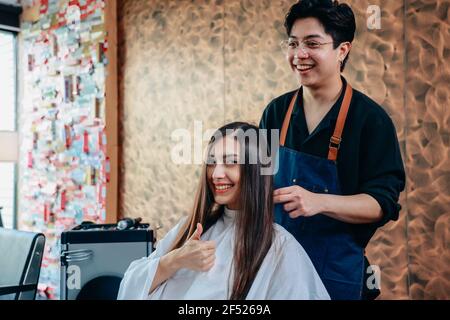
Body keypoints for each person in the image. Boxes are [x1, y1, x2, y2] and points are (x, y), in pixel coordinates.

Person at [259, 0, 405, 300]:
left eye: (312, 43)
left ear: (342, 50)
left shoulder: (370, 121)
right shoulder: (276, 112)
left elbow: (382, 203)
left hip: (335, 276)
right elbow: (255, 185)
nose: (299, 54)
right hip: (276, 272)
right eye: (293, 43)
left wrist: (319, 202)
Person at [117, 122, 329, 300]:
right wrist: (175, 260)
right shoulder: (189, 229)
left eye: (231, 162)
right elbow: (129, 288)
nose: (217, 173)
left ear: (255, 169)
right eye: (212, 162)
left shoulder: (280, 248)